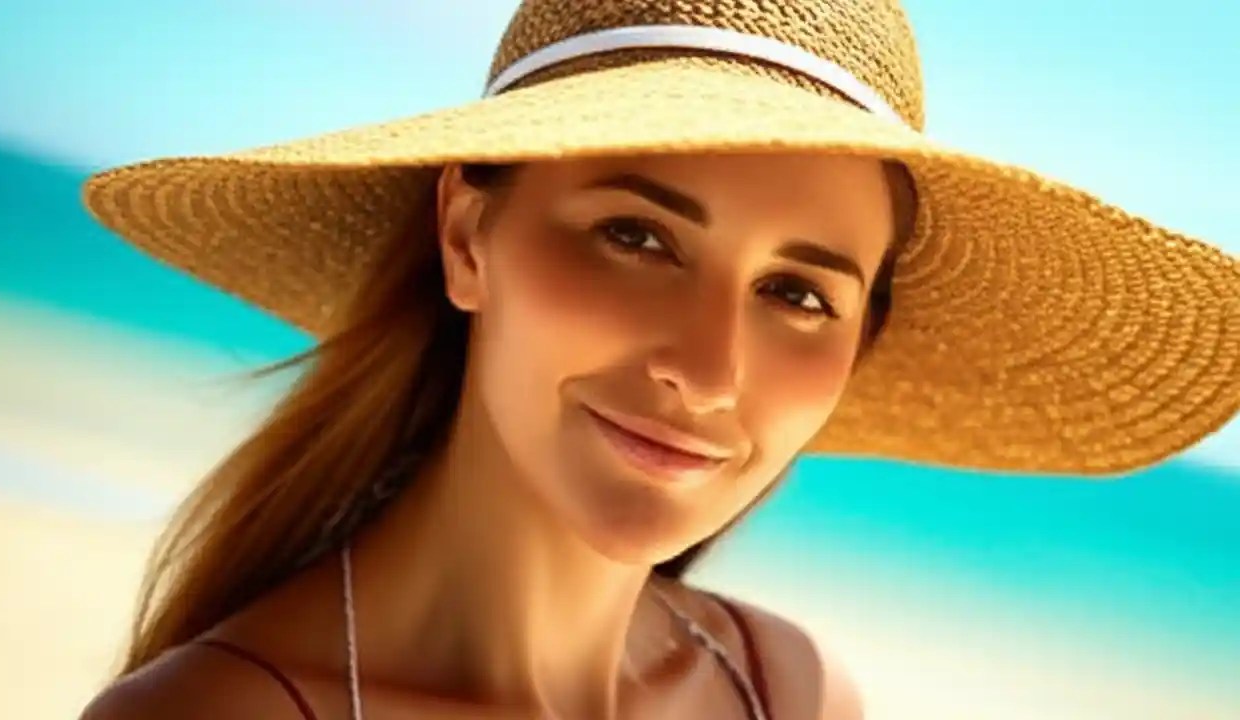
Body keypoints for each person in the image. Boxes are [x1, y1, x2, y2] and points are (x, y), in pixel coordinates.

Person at [78, 1, 1239, 718]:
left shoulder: (787, 695)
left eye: (796, 293)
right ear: (468, 236)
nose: (709, 366)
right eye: (637, 238)